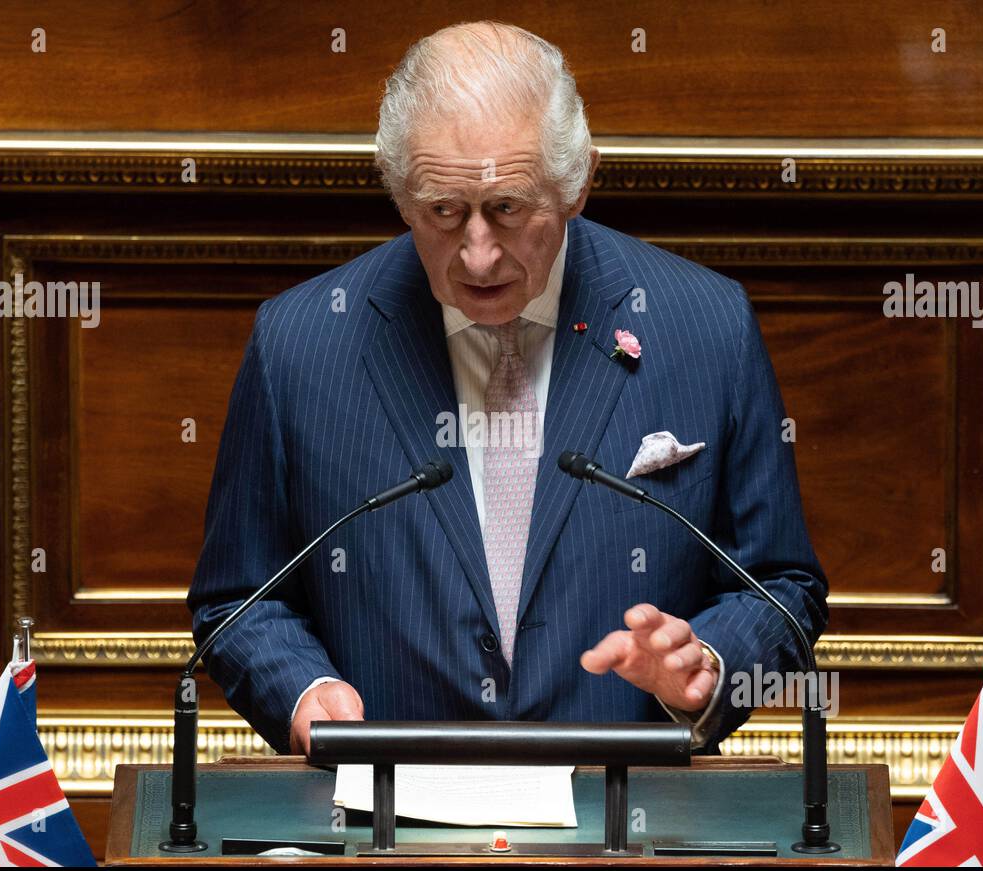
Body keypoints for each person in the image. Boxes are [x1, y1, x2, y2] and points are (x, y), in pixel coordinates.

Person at [188, 20, 828, 756]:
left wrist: (707, 663)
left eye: (508, 209)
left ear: (579, 180)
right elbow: (240, 597)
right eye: (444, 212)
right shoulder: (300, 344)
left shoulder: (706, 327)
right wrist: (304, 695)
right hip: (389, 817)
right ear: (400, 195)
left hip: (630, 818)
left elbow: (781, 583)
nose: (478, 254)